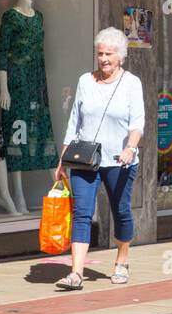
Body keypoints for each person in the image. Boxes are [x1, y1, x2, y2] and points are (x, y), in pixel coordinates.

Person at [54, 27, 145, 291]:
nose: (103, 59)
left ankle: (122, 261)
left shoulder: (131, 83)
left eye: (109, 54)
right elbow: (74, 123)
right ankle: (76, 273)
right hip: (85, 160)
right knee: (81, 213)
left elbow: (138, 123)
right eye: (100, 54)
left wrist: (130, 147)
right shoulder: (85, 81)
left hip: (119, 160)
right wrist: (62, 160)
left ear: (121, 56)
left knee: (121, 210)